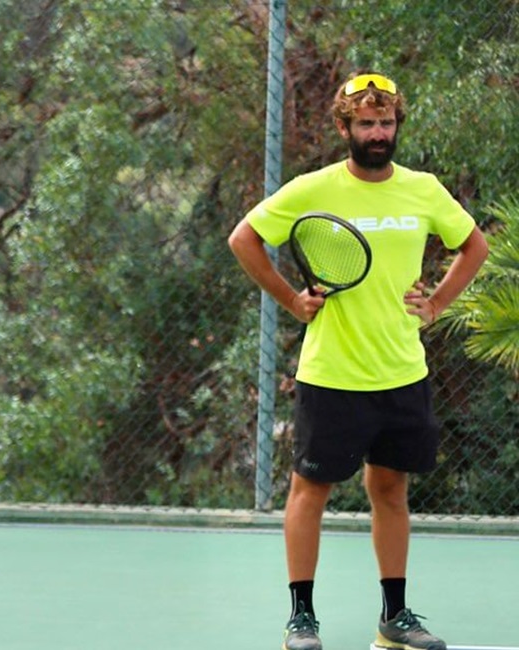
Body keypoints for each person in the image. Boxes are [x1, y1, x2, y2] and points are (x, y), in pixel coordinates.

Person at [227, 72, 488, 650]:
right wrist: (291, 300)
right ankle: (301, 619)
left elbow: (474, 245)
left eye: (386, 122)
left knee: (391, 491)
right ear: (344, 128)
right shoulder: (312, 188)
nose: (378, 133)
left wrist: (437, 302)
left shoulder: (423, 189)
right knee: (310, 492)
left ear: (397, 126)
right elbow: (244, 238)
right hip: (332, 375)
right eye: (366, 123)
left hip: (402, 371)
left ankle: (395, 619)